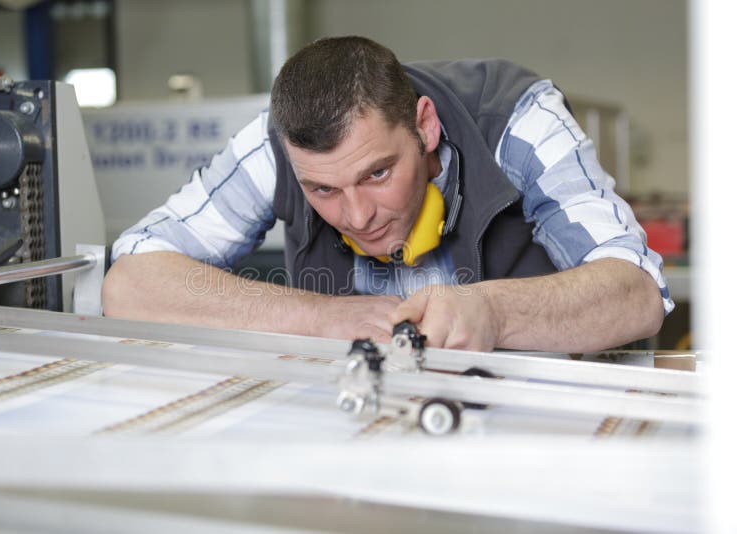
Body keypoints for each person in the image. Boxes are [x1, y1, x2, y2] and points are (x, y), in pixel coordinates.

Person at [102, 36, 672, 352]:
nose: (357, 216)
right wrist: (316, 316)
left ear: (424, 126)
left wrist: (494, 311)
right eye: (323, 189)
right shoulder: (277, 144)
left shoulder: (516, 118)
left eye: (377, 174)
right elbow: (131, 283)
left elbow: (636, 291)